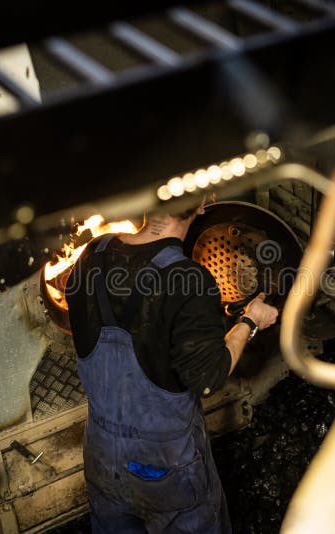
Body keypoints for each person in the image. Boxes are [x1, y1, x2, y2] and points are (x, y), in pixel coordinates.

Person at [65, 201, 278, 533]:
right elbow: (208, 378)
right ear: (204, 201)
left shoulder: (93, 254)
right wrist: (250, 320)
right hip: (165, 468)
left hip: (101, 454)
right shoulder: (190, 278)